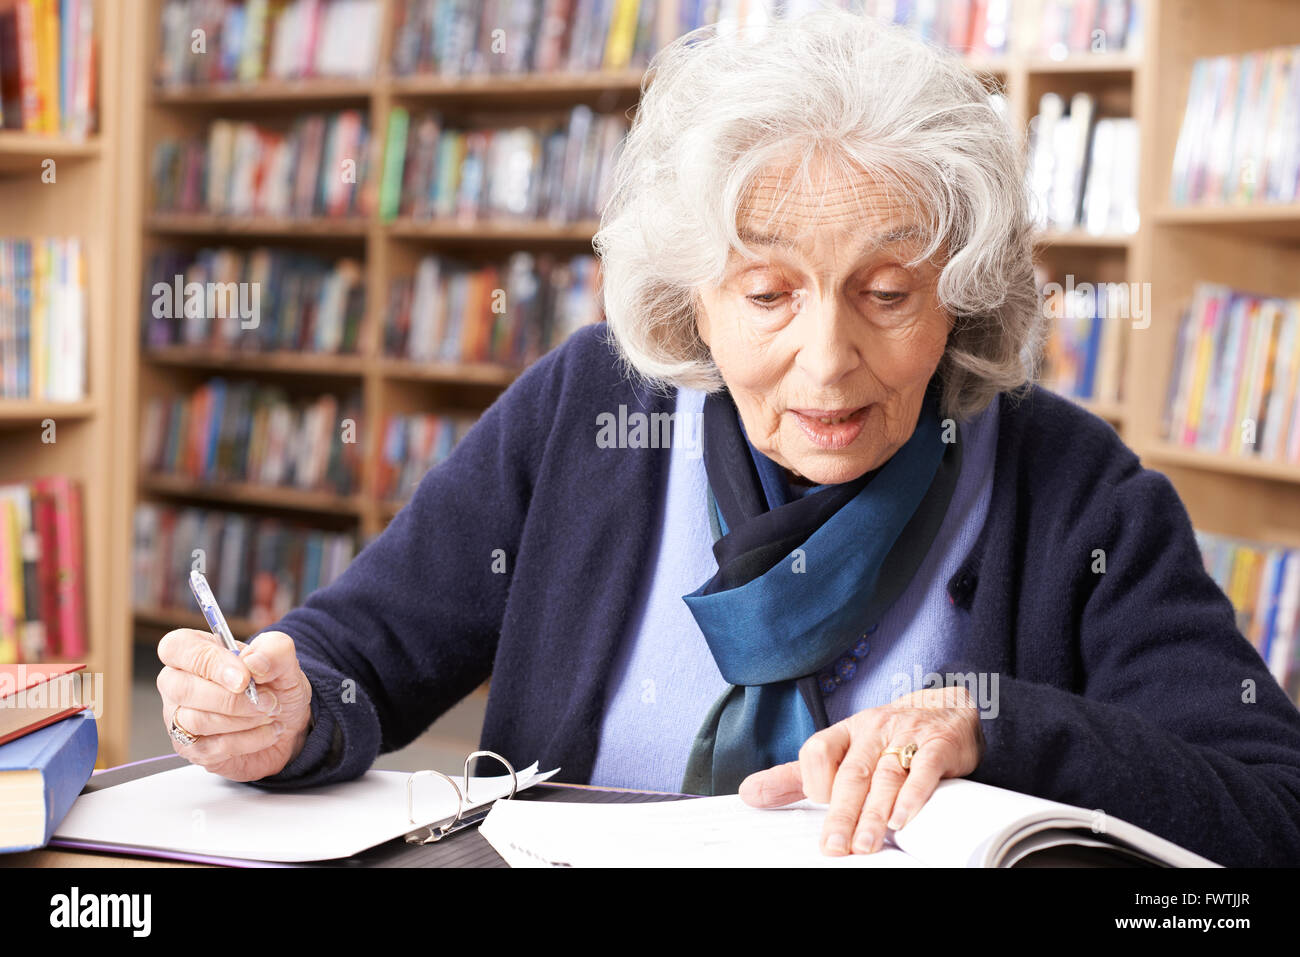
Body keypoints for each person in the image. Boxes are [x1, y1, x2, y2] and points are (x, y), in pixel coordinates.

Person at [154, 8, 1300, 865]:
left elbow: (1271, 804)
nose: (826, 358)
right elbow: (359, 659)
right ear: (688, 299)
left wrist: (1006, 728)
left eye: (888, 293)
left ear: (963, 294)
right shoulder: (585, 417)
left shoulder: (1071, 488)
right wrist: (283, 710)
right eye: (766, 294)